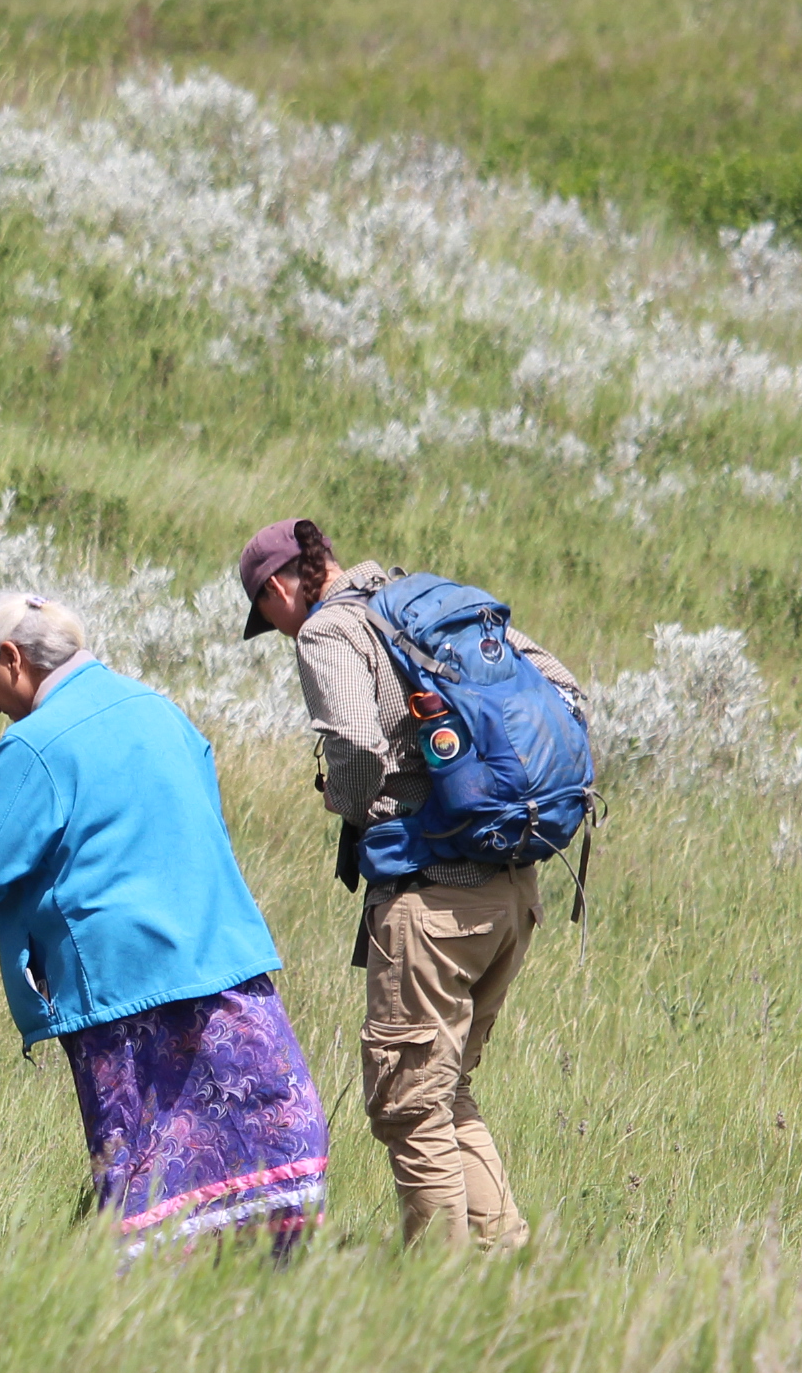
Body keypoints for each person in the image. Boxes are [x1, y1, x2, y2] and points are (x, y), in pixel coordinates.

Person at [0, 590, 329, 1261]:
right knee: (263, 1152)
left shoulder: (35, 743)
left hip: (122, 988)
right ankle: (267, 1296)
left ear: (11, 658)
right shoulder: (159, 708)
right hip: (222, 961)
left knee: (149, 1182)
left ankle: (159, 1324)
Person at [238, 516, 583, 1252]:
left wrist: (348, 798)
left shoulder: (329, 633)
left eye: (265, 619)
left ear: (277, 590)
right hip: (514, 889)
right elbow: (567, 691)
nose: (276, 634)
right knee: (447, 1090)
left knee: (408, 1106)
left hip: (433, 903)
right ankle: (502, 1271)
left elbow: (357, 745)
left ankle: (438, 1297)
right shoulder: (428, 602)